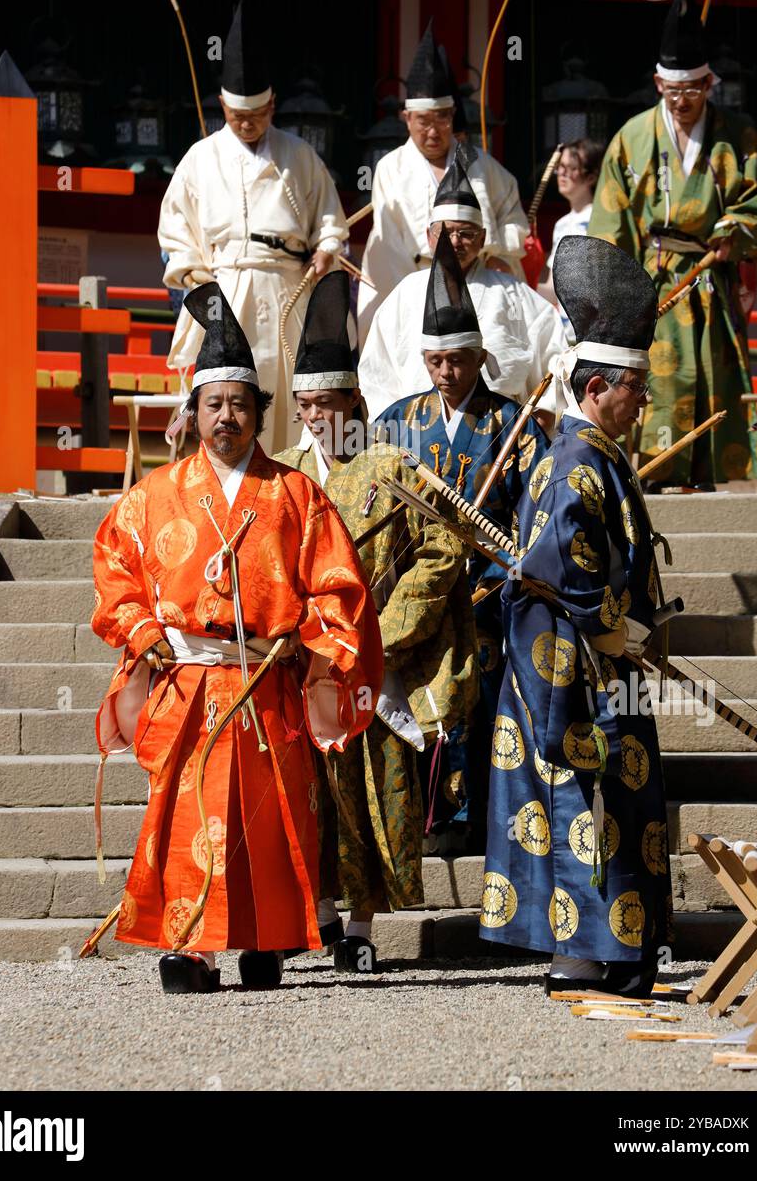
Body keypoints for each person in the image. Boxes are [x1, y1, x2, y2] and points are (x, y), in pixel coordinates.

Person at [91, 281, 383, 993]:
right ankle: (190, 948)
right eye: (214, 404)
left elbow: (340, 586)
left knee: (271, 816)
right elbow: (116, 572)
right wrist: (145, 631)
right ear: (193, 414)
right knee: (188, 812)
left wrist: (307, 635)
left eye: (240, 404)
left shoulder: (297, 495)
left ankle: (266, 941)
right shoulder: (151, 497)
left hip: (268, 679)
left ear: (259, 414)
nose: (227, 417)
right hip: (190, 680)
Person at [480, 233, 673, 997]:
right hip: (575, 672)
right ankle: (594, 952)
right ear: (595, 387)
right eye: (633, 386)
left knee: (612, 807)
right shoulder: (574, 465)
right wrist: (613, 624)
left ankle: (611, 951)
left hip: (602, 662)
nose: (643, 399)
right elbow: (562, 569)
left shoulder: (591, 455)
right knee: (588, 807)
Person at [276, 271, 478, 969]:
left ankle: (362, 926)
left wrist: (379, 636)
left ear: (354, 402)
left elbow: (442, 550)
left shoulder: (396, 467)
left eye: (327, 404)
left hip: (371, 664)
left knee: (372, 799)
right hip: (306, 663)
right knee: (313, 798)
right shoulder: (285, 479)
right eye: (304, 406)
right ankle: (321, 912)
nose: (315, 419)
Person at [375, 230, 549, 852]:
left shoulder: (513, 423)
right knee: (423, 699)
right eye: (435, 362)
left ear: (480, 357)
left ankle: (481, 815)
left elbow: (537, 509)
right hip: (419, 592)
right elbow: (375, 509)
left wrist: (509, 564)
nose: (446, 374)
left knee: (478, 699)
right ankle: (428, 818)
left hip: (487, 590)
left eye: (457, 361)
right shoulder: (396, 423)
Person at [588, 0, 757, 487]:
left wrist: (734, 232)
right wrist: (619, 297)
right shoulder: (632, 139)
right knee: (660, 377)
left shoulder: (737, 136)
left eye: (695, 89)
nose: (683, 100)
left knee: (714, 378)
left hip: (712, 278)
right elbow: (612, 224)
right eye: (674, 90)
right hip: (656, 282)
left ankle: (712, 475)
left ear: (709, 83)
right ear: (658, 83)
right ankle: (658, 475)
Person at [158, 0, 348, 453]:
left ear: (273, 106)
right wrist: (198, 282)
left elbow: (330, 218)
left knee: (285, 398)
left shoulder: (299, 155)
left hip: (287, 288)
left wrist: (326, 246)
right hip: (226, 289)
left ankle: (284, 480)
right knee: (226, 390)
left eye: (256, 115)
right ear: (222, 105)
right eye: (236, 116)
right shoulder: (200, 158)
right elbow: (175, 231)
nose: (246, 125)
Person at [356, 19, 528, 340]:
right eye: (423, 121)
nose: (433, 131)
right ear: (406, 118)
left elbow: (515, 224)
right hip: (416, 283)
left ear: (452, 117)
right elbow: (389, 246)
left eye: (441, 119)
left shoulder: (485, 167)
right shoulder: (391, 168)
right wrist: (412, 295)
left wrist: (493, 250)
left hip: (480, 284)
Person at [358, 156, 566, 421]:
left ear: (482, 238)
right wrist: (391, 427)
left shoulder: (515, 293)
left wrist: (545, 410)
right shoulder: (405, 293)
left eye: (466, 233)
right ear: (428, 237)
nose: (454, 241)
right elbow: (376, 371)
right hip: (415, 432)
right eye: (445, 232)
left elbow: (556, 358)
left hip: (499, 435)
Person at [538, 137, 604, 315]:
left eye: (572, 168)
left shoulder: (600, 220)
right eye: (560, 167)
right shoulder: (562, 224)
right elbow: (554, 291)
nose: (562, 173)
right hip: (564, 329)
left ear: (591, 176)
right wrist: (521, 279)